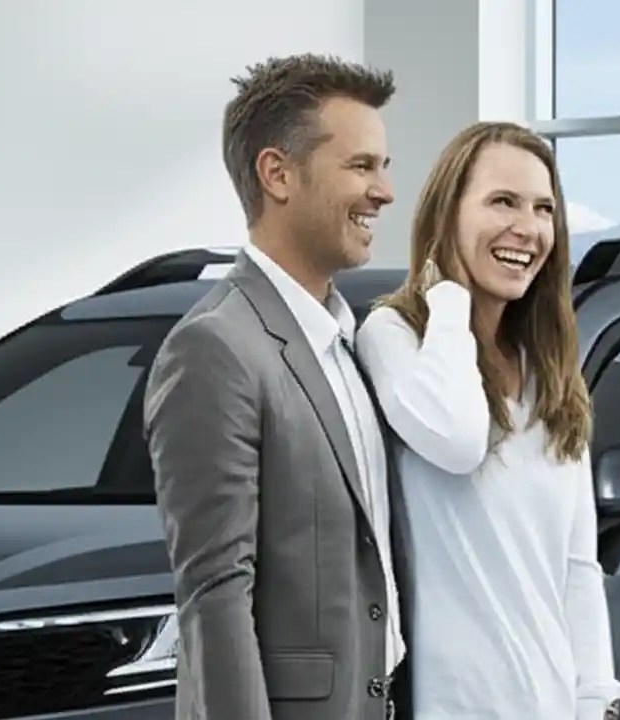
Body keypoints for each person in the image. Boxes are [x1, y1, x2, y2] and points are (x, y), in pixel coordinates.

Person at [144, 54, 414, 720]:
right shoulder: (215, 347)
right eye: (361, 166)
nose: (384, 192)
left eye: (384, 167)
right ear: (277, 174)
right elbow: (214, 596)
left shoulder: (354, 342)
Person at [353, 121, 620, 720]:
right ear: (448, 213)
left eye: (543, 208)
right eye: (502, 201)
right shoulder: (395, 339)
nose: (527, 228)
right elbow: (457, 439)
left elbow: (577, 567)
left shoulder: (550, 373)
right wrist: (448, 300)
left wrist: (597, 700)